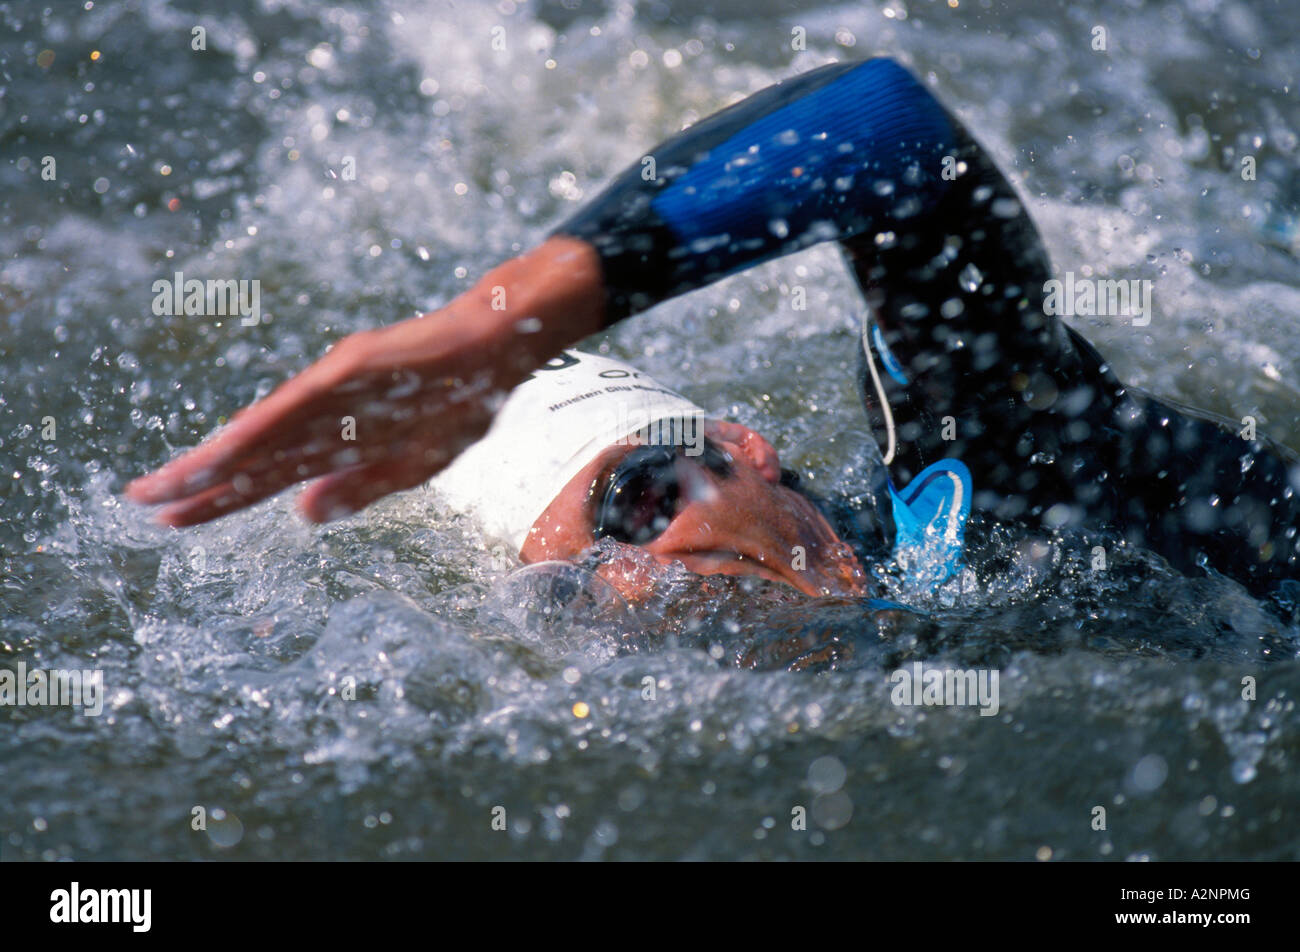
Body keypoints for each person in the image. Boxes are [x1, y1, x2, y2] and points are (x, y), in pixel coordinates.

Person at [126, 57, 1300, 602]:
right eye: (572, 588)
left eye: (634, 501)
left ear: (743, 447)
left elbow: (884, 125)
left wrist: (498, 328)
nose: (637, 576)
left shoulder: (969, 479)